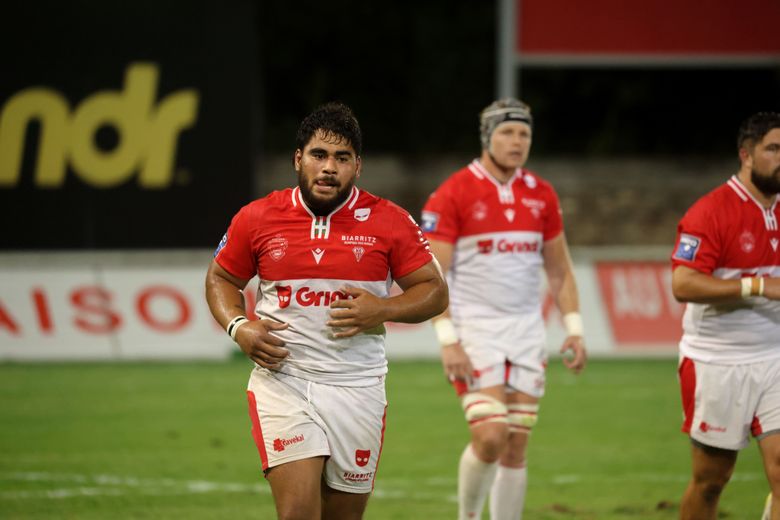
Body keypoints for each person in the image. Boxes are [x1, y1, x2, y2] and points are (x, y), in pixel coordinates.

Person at [205, 102, 448, 520]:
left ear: (358, 166)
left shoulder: (389, 221)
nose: (329, 167)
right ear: (299, 159)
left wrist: (382, 309)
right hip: (285, 380)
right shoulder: (258, 217)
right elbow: (220, 279)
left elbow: (435, 292)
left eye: (342, 158)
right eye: (319, 155)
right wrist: (238, 326)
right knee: (298, 512)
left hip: (358, 386)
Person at [420, 98, 587, 520]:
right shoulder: (453, 193)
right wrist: (448, 339)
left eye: (524, 133)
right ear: (487, 138)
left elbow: (560, 270)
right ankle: (469, 516)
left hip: (526, 332)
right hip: (475, 331)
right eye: (507, 133)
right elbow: (433, 277)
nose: (517, 141)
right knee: (491, 436)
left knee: (516, 444)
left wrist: (575, 328)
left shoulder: (542, 195)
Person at [671, 111, 780, 520]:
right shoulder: (712, 211)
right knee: (711, 479)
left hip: (775, 357)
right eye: (773, 149)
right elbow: (683, 284)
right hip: (717, 360)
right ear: (746, 155)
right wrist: (756, 285)